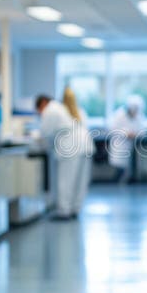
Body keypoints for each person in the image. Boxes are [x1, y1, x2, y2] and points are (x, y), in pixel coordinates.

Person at [35, 94, 84, 220]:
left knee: (65, 180)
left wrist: (36, 138)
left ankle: (64, 211)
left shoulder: (50, 110)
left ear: (43, 103)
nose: (40, 113)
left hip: (68, 146)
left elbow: (44, 132)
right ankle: (71, 208)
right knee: (73, 181)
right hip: (73, 145)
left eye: (39, 109)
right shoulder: (58, 108)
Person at [62, 87, 94, 216]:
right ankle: (76, 208)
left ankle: (64, 210)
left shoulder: (62, 112)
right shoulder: (81, 112)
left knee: (67, 181)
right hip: (85, 147)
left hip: (72, 149)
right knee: (81, 181)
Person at [108, 94, 146, 184]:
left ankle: (127, 180)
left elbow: (143, 130)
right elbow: (112, 129)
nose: (135, 112)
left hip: (132, 145)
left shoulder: (139, 116)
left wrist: (135, 134)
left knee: (129, 167)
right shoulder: (119, 115)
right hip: (120, 144)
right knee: (119, 167)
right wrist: (126, 133)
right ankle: (117, 181)